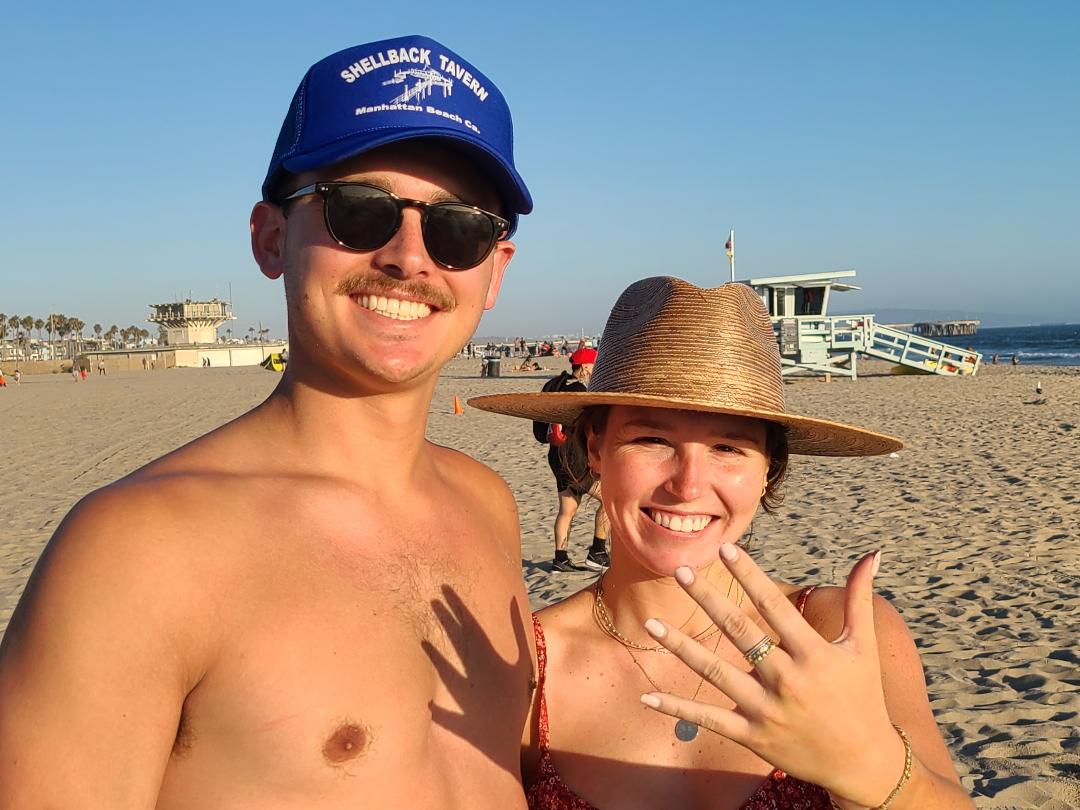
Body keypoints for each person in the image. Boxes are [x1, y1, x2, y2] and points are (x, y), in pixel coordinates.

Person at [0, 35, 535, 808]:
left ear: (495, 273)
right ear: (270, 237)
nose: (409, 258)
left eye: (460, 229)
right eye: (360, 212)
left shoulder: (490, 504)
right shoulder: (137, 551)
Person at [470, 277, 973, 809]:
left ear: (768, 469)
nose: (687, 486)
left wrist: (872, 769)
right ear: (595, 448)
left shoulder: (842, 634)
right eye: (652, 438)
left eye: (728, 446)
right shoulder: (525, 666)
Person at [534, 348, 610, 573]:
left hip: (555, 455)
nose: (593, 370)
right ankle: (597, 552)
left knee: (566, 509)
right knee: (610, 499)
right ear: (585, 366)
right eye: (592, 365)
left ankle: (560, 559)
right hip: (573, 455)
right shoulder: (578, 389)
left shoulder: (556, 384)